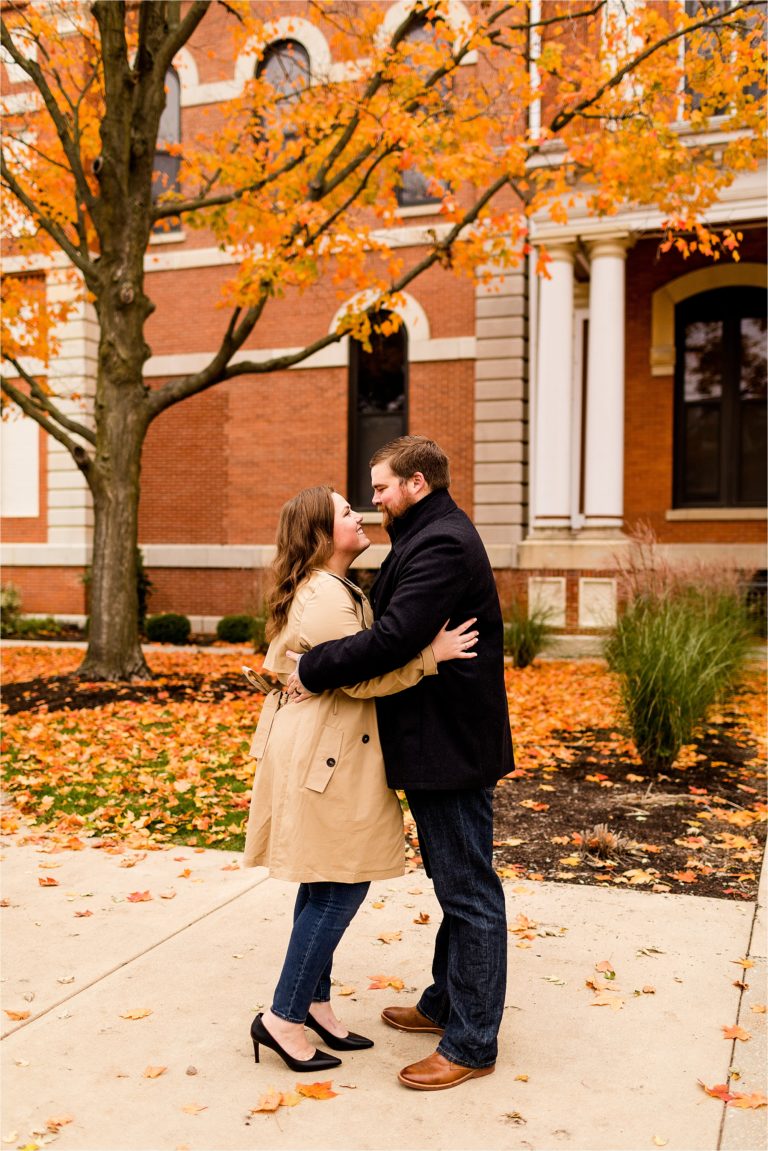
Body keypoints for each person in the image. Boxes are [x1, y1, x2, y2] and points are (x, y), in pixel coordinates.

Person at [288, 436, 514, 1091]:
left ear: (417, 483)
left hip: (451, 746)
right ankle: (444, 1001)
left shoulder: (441, 542)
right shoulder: (426, 535)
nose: (375, 497)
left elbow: (392, 638)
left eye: (382, 485)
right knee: (456, 883)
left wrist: (312, 667)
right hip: (437, 742)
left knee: (469, 892)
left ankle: (471, 1042)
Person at [242, 484, 478, 1073]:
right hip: (326, 751)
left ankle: (312, 1003)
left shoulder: (332, 586)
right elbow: (357, 675)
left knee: (323, 876)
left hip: (326, 744)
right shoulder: (326, 595)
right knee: (340, 884)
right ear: (322, 533)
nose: (360, 513)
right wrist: (432, 655)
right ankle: (283, 1017)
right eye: (347, 511)